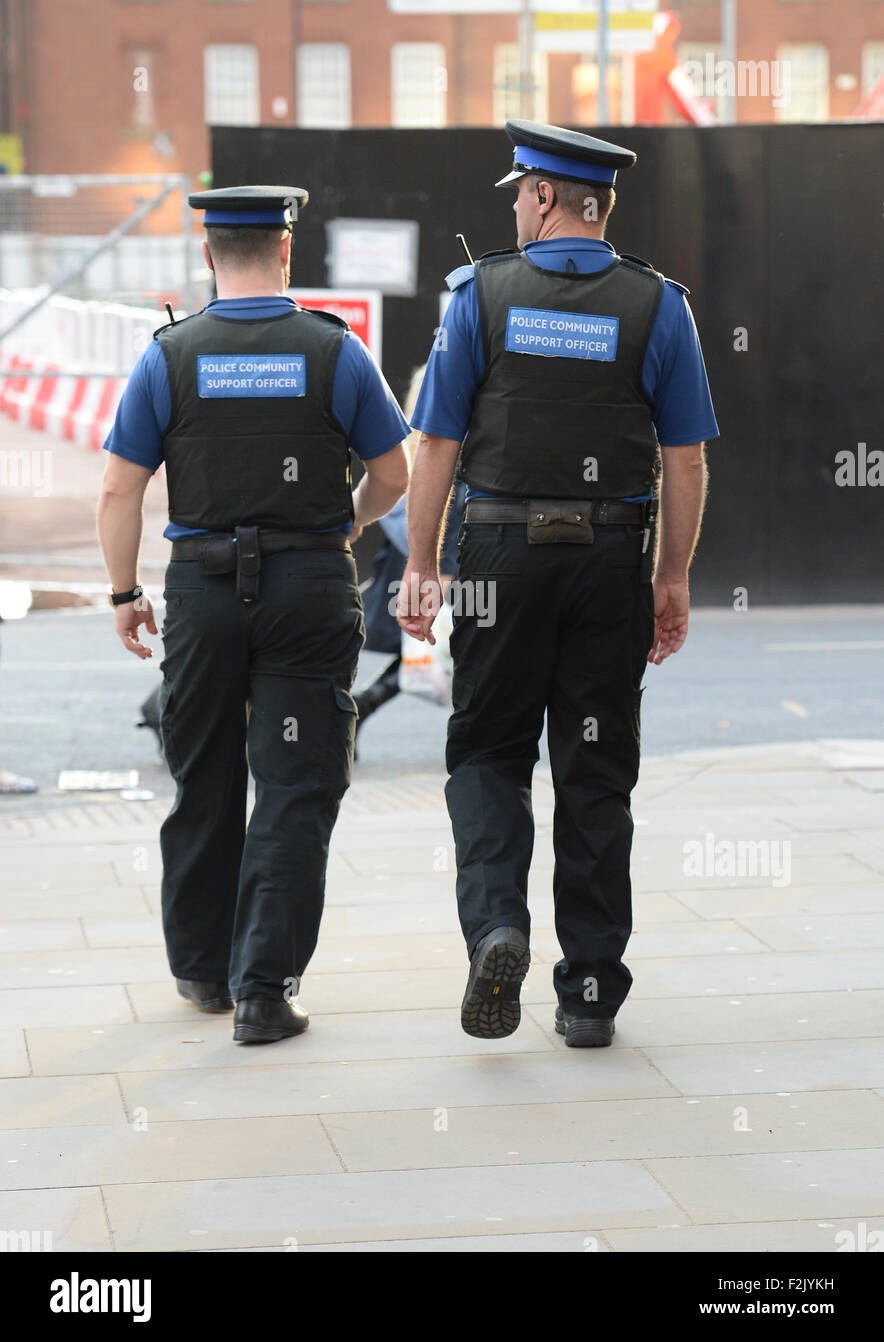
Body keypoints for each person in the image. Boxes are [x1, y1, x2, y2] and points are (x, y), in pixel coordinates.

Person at [398, 121, 718, 1048]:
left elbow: (439, 445)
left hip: (500, 559)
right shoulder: (660, 308)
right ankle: (586, 992)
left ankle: (498, 925)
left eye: (517, 192)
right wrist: (673, 580)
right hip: (610, 560)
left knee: (491, 752)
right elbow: (684, 459)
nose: (512, 206)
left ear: (543, 197)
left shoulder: (479, 296)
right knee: (595, 769)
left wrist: (422, 565)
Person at [97, 185, 409, 1043]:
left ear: (208, 256)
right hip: (307, 588)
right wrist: (342, 520)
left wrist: (125, 594)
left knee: (204, 773)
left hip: (200, 590)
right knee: (295, 781)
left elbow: (121, 486)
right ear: (286, 249)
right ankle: (265, 989)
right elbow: (395, 473)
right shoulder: (334, 351)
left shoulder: (168, 357)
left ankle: (203, 972)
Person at [354, 368, 465, 752]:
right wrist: (445, 572)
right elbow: (450, 520)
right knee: (452, 652)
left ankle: (359, 708)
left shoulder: (411, 449)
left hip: (408, 569)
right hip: (446, 572)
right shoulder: (449, 451)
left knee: (425, 654)